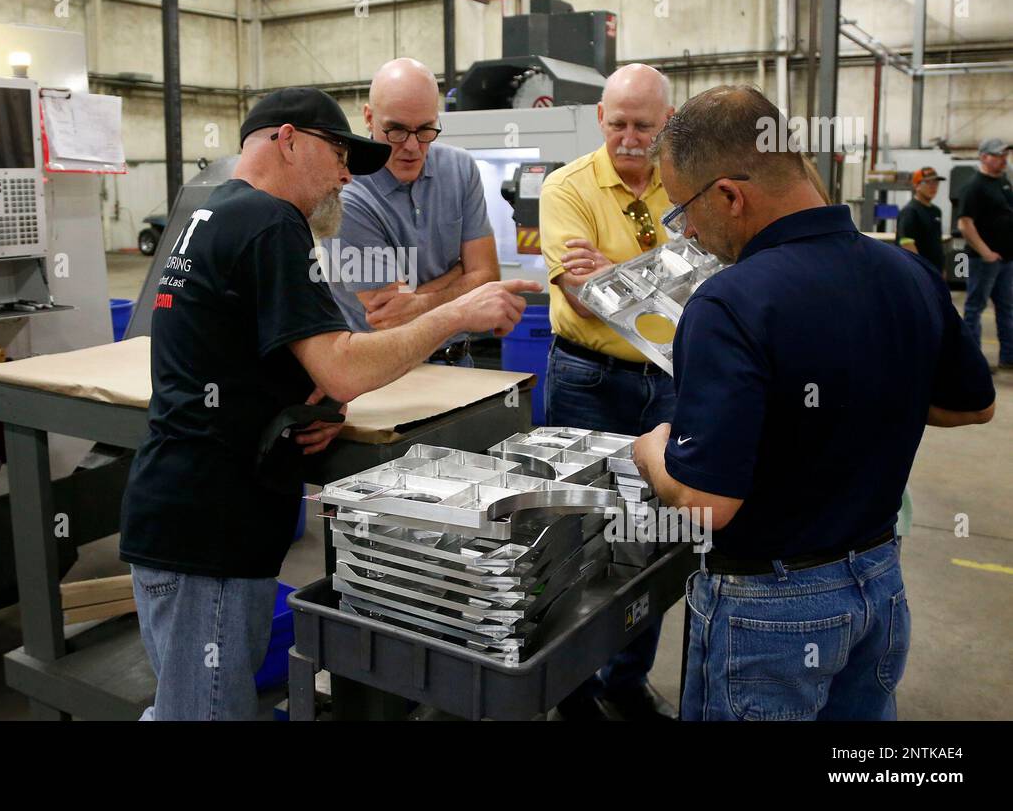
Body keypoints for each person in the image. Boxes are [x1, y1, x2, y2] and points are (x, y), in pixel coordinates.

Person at [119, 86, 539, 720]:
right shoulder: (271, 222)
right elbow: (341, 366)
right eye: (339, 153)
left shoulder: (213, 214)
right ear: (287, 140)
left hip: (182, 518)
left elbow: (240, 350)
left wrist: (297, 403)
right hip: (211, 540)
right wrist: (456, 312)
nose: (347, 174)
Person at [632, 85, 996, 721]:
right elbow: (973, 406)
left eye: (683, 208)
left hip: (770, 609)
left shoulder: (728, 304)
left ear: (728, 195)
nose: (686, 229)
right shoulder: (907, 273)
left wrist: (653, 452)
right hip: (878, 585)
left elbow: (706, 509)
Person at [538, 62, 677, 722]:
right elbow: (589, 303)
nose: (628, 137)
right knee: (578, 541)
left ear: (666, 125)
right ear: (599, 118)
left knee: (649, 538)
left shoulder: (685, 186)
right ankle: (571, 689)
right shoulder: (566, 188)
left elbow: (710, 284)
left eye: (643, 125)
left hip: (671, 383)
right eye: (617, 122)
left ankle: (626, 677)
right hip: (588, 384)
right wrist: (663, 279)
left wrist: (618, 273)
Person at [319, 58, 499, 367]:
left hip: (459, 363)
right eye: (397, 131)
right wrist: (461, 271)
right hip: (383, 369)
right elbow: (388, 317)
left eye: (426, 130)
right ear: (368, 118)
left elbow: (488, 277)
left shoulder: (460, 168)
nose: (413, 147)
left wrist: (416, 301)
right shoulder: (347, 192)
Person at [956, 138, 1013, 370]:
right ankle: (973, 362)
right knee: (975, 308)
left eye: (1004, 155)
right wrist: (986, 252)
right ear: (983, 157)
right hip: (983, 261)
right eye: (998, 155)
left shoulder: (1004, 183)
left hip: (1006, 260)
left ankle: (1008, 357)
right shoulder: (973, 187)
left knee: (1006, 308)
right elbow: (965, 224)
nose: (1003, 159)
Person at [895, 167, 946, 274]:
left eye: (936, 183)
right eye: (928, 182)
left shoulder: (936, 211)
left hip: (934, 271)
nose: (933, 187)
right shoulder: (910, 211)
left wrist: (942, 269)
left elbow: (936, 243)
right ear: (917, 185)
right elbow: (906, 243)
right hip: (918, 272)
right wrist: (921, 270)